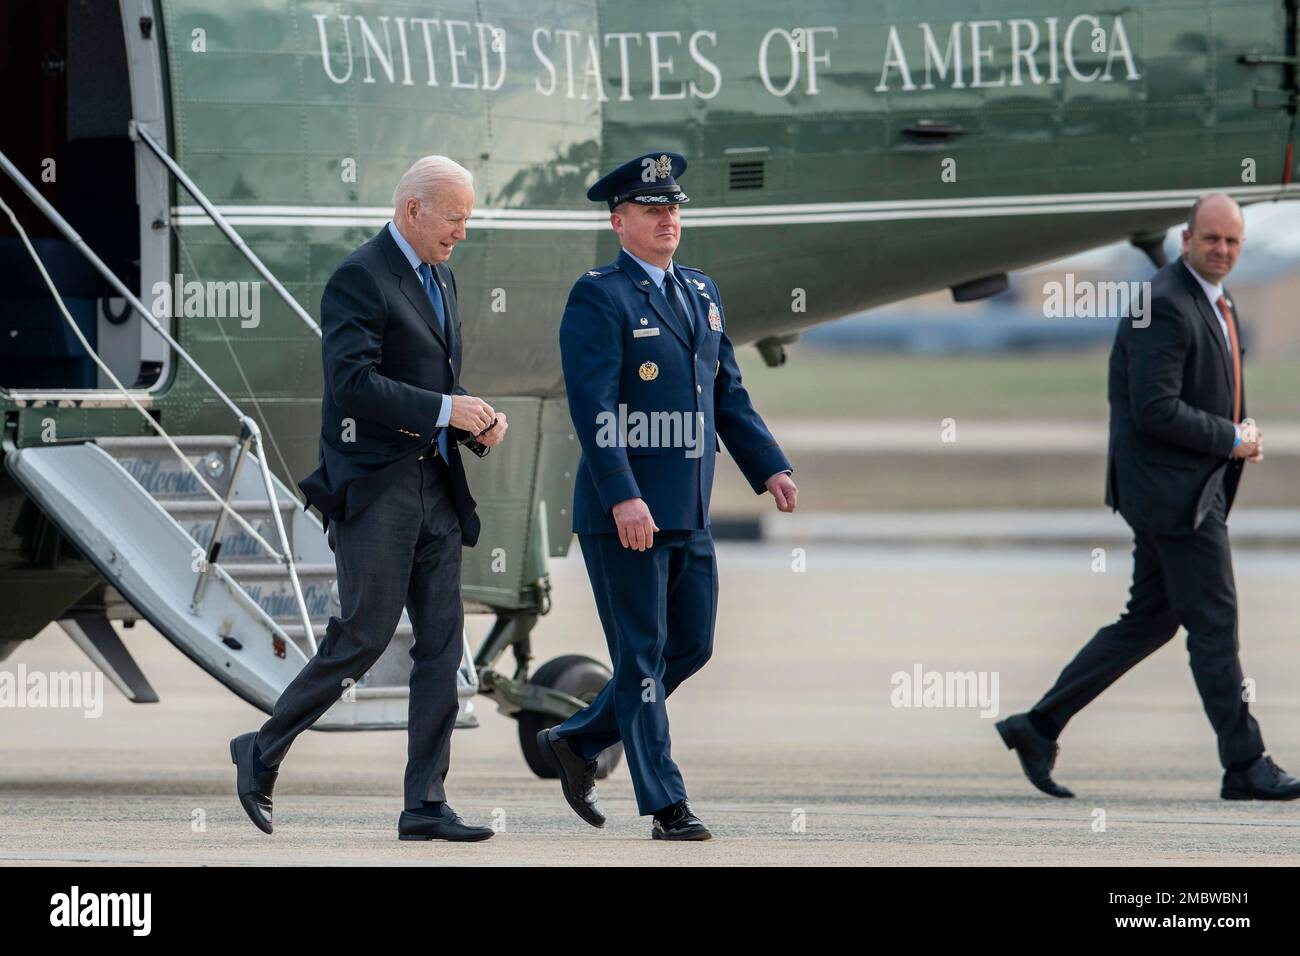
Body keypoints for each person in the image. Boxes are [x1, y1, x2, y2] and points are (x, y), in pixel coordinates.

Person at [230, 156, 509, 841]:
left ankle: (424, 804)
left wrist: (472, 422)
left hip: (438, 489)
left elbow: (433, 381)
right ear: (414, 210)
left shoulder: (440, 275)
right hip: (378, 489)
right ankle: (261, 750)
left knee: (443, 646)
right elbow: (352, 385)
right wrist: (447, 410)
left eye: (467, 219)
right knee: (363, 636)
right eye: (454, 218)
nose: (461, 233)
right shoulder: (359, 277)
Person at [998, 192, 1300, 801]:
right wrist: (1230, 438)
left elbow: (1213, 390)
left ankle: (1038, 726)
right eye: (1210, 238)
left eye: (1232, 241)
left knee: (1152, 619)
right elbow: (1155, 409)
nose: (1222, 250)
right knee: (1214, 627)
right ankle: (1245, 763)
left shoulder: (1213, 297)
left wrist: (1241, 434)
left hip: (1187, 488)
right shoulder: (1161, 304)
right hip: (1175, 496)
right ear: (1186, 240)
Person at [537, 151, 798, 840]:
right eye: (653, 211)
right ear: (620, 222)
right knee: (644, 657)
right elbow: (594, 409)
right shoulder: (599, 297)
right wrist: (623, 495)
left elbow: (727, 395)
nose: (667, 221)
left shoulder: (701, 293)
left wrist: (768, 465)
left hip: (687, 508)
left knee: (692, 647)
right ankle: (666, 805)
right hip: (626, 514)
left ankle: (579, 737)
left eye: (674, 209)